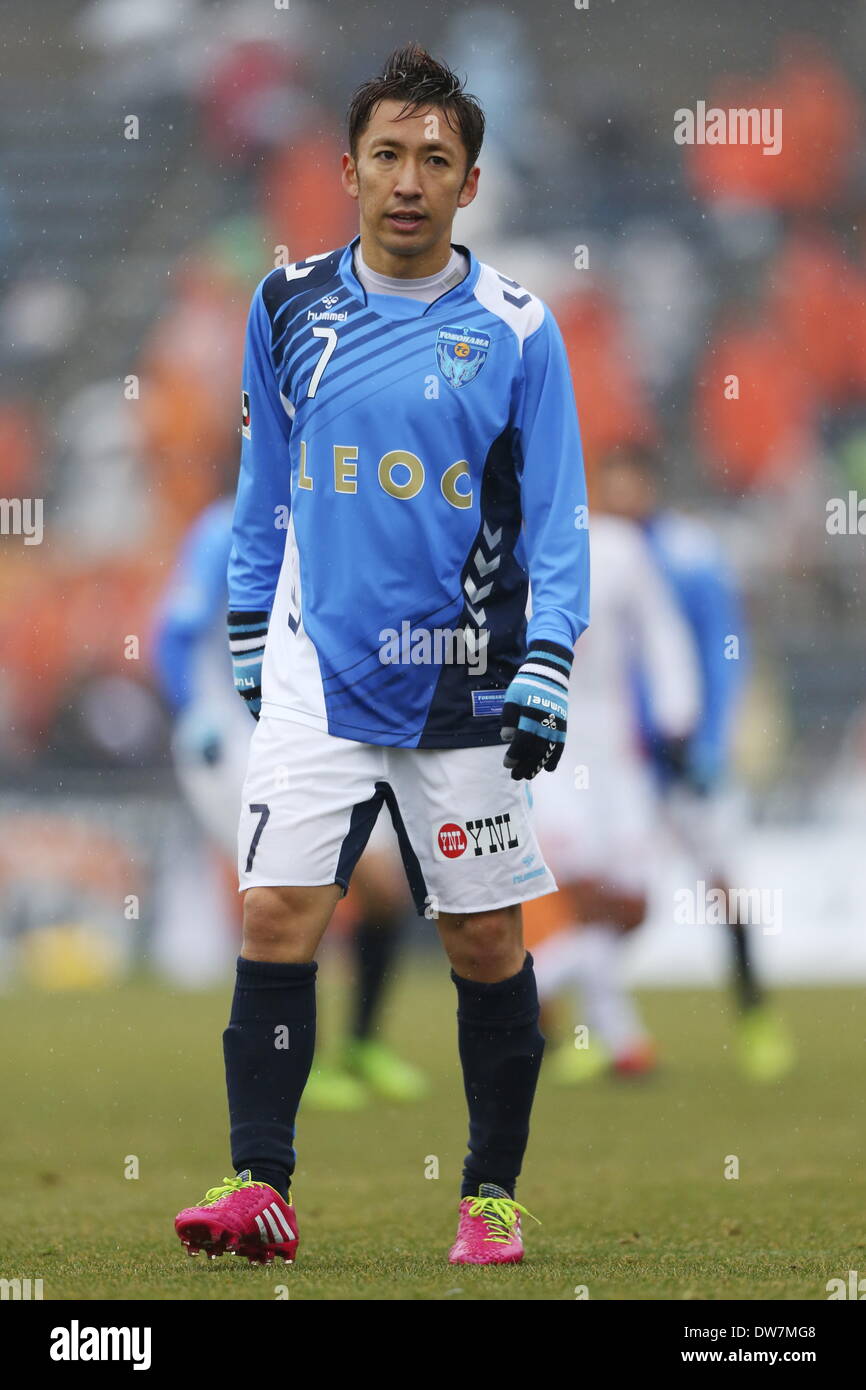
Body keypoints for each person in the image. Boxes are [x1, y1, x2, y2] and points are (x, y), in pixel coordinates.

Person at [173, 42, 589, 1268]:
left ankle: (490, 1196)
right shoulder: (286, 303)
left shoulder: (517, 331)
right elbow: (263, 487)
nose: (409, 179)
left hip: (464, 672)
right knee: (278, 912)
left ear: (469, 183)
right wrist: (252, 626)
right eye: (387, 156)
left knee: (484, 941)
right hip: (316, 661)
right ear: (347, 168)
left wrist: (549, 656)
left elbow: (558, 515)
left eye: (435, 160)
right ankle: (260, 1184)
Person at [152, 495, 427, 1103]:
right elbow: (173, 635)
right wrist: (193, 709)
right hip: (231, 732)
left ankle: (359, 1045)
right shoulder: (225, 529)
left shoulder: (345, 521)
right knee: (289, 891)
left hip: (317, 726)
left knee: (383, 887)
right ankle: (303, 1066)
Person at [600, 443, 795, 1081]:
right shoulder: (592, 556)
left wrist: (709, 739)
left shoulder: (689, 553)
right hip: (618, 758)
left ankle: (755, 1016)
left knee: (722, 885)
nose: (620, 498)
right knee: (600, 892)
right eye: (611, 487)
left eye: (630, 485)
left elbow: (722, 648)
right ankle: (601, 1028)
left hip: (685, 754)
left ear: (651, 485)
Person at [525, 506, 701, 1080]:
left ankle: (523, 988)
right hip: (546, 737)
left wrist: (678, 714)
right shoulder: (504, 539)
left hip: (615, 744)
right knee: (580, 886)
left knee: (632, 900)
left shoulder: (620, 546)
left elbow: (661, 629)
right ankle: (622, 1036)